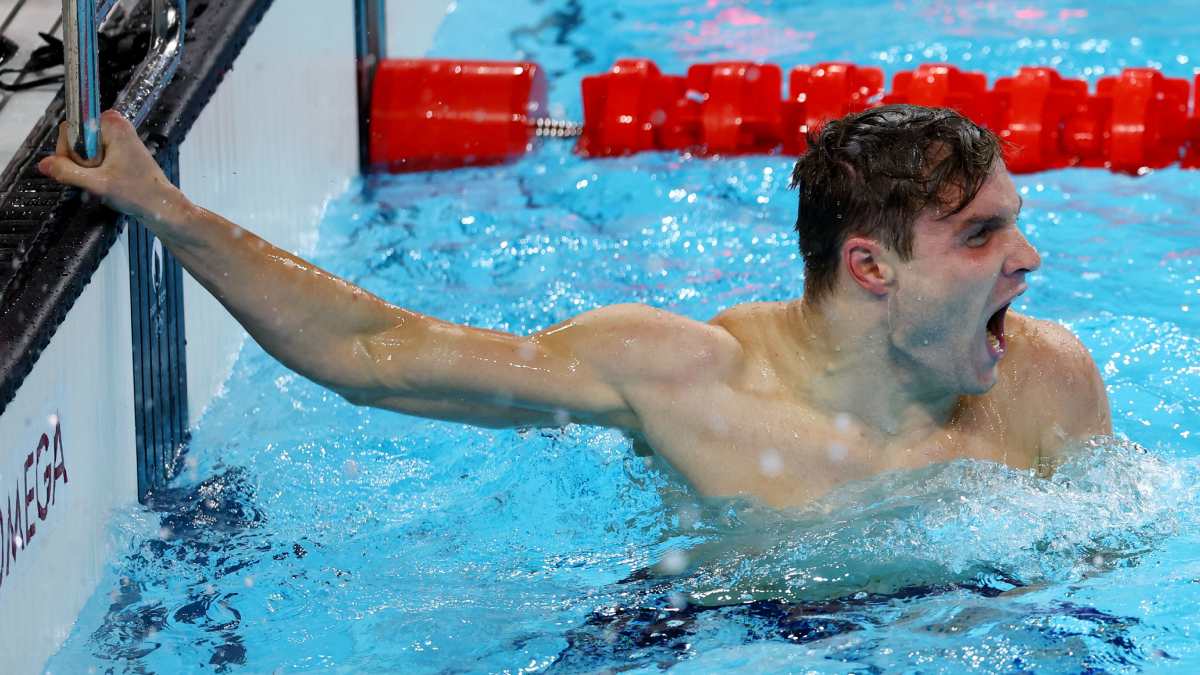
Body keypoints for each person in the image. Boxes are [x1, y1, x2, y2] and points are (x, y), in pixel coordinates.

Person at [39, 104, 1111, 509]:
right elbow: (370, 351)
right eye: (981, 234)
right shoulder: (679, 376)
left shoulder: (1049, 380)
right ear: (871, 268)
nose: (1027, 258)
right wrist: (163, 209)